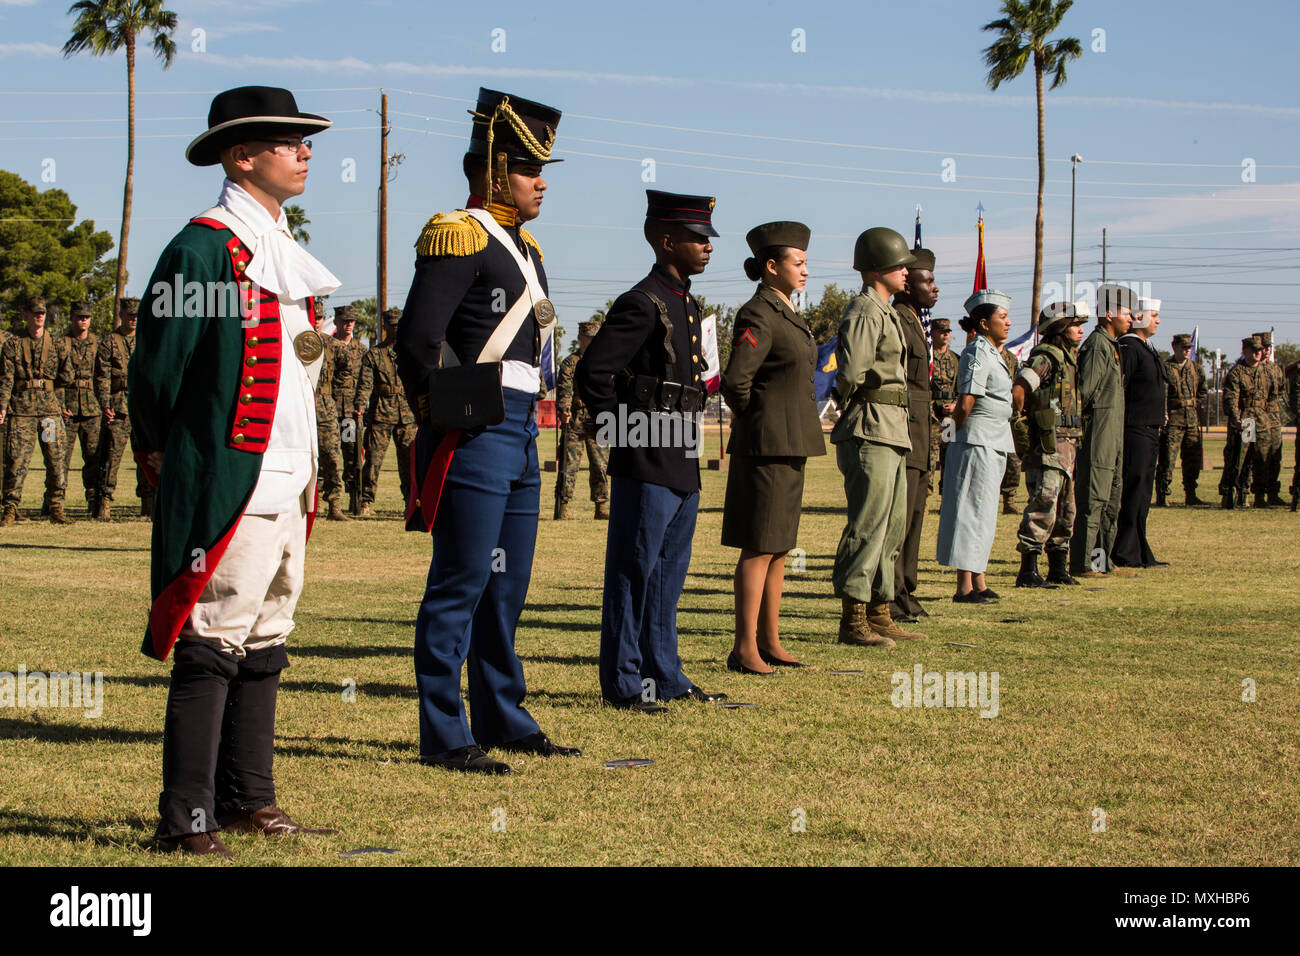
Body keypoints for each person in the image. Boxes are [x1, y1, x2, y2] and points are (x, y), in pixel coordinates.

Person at [132, 85, 341, 856]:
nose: (305, 152)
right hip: (233, 475)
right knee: (213, 640)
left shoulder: (280, 247)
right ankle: (185, 817)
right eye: (288, 142)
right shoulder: (202, 247)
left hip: (289, 476)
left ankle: (249, 799)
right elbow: (155, 371)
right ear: (241, 156)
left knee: (266, 641)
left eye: (305, 140)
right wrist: (167, 451)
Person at [398, 88, 580, 770]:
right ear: (497, 169)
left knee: (506, 586)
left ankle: (503, 715)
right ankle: (445, 734)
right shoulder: (460, 233)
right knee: (460, 582)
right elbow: (418, 340)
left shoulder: (525, 249)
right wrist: (446, 415)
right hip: (478, 431)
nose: (541, 184)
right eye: (533, 170)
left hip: (523, 429)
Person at [575, 189, 728, 706]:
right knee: (633, 571)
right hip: (647, 453)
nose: (707, 247)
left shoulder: (684, 302)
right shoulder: (642, 302)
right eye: (696, 238)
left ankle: (664, 673)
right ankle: (622, 681)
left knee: (668, 573)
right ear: (667, 242)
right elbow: (593, 374)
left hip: (680, 451)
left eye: (707, 238)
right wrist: (621, 432)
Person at [720, 220, 824, 673]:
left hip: (789, 442)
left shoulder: (786, 311)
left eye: (804, 262)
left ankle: (770, 640)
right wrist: (758, 424)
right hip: (766, 444)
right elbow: (735, 382)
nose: (804, 269)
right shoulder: (759, 312)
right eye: (797, 262)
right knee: (759, 546)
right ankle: (744, 647)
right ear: (771, 265)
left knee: (779, 545)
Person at [829, 227, 925, 647]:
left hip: (891, 425)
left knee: (892, 523)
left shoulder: (885, 310)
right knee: (869, 523)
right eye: (900, 265)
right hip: (870, 424)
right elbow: (850, 374)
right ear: (878, 268)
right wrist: (854, 401)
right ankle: (853, 618)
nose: (906, 272)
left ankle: (879, 610)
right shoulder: (866, 310)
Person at [936, 292, 1015, 602]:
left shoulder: (994, 352)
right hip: (975, 440)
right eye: (1002, 318)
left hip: (993, 440)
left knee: (984, 512)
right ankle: (964, 586)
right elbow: (966, 402)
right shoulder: (976, 352)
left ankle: (979, 580)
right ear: (984, 323)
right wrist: (951, 434)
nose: (1008, 322)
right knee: (970, 510)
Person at [1012, 301, 1087, 587]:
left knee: (1067, 509)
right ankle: (1028, 570)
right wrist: (1022, 420)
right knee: (1044, 501)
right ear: (1060, 328)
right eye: (1075, 325)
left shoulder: (1070, 358)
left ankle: (1058, 567)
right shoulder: (1047, 356)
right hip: (1048, 444)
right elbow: (1021, 386)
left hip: (1067, 444)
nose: (1080, 330)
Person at [888, 247, 939, 623]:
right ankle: (889, 595)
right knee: (900, 518)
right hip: (905, 428)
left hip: (921, 430)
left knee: (917, 514)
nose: (934, 287)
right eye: (928, 280)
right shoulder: (899, 320)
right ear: (908, 286)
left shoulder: (916, 321)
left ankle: (906, 589)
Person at [1070, 284, 1134, 579]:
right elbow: (1085, 393)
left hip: (1114, 435)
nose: (1132, 318)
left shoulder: (1112, 345)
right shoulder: (1097, 345)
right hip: (1098, 434)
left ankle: (1102, 561)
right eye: (1126, 312)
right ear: (1108, 314)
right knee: (1094, 499)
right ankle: (1083, 563)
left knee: (1111, 500)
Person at [0, 295, 71, 525]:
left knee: (55, 459)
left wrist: (53, 392)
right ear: (26, 316)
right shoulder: (13, 344)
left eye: (42, 313)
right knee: (16, 461)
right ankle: (10, 509)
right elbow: (6, 379)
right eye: (35, 313)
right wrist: (2, 407)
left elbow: (67, 375)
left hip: (49, 412)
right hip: (21, 412)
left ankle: (56, 507)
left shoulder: (57, 344)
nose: (40, 316)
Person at [1112, 296, 1169, 568]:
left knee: (1143, 492)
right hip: (1134, 429)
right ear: (1138, 317)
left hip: (1149, 429)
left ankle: (1140, 550)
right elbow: (1120, 388)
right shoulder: (1129, 347)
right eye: (1154, 315)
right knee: (1132, 491)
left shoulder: (1145, 347)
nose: (1158, 320)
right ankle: (1125, 552)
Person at [355, 307, 416, 517]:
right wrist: (360, 406)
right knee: (373, 460)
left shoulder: (409, 353)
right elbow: (364, 384)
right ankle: (365, 502)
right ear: (385, 327)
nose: (396, 329)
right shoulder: (374, 354)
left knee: (408, 461)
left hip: (407, 414)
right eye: (392, 325)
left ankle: (410, 502)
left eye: (399, 325)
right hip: (381, 413)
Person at [94, 297, 149, 520]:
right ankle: (104, 502)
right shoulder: (109, 342)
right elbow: (102, 376)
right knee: (111, 457)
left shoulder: (146, 339)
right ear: (122, 315)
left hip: (142, 407)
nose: (133, 320)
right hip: (117, 406)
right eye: (130, 315)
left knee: (145, 457)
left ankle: (148, 504)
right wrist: (105, 403)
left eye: (137, 316)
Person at [553, 318, 608, 520]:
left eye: (594, 338)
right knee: (569, 467)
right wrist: (564, 409)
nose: (590, 341)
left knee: (600, 466)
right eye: (587, 338)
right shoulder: (570, 362)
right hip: (575, 420)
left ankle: (601, 507)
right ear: (580, 338)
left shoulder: (604, 363)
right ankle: (563, 507)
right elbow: (565, 388)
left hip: (598, 421)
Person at [1220, 335, 1275, 509]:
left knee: (1261, 459)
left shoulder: (1267, 371)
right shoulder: (1237, 372)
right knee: (1239, 460)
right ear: (1245, 351)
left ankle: (1259, 495)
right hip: (1246, 421)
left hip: (1262, 420)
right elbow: (1231, 397)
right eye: (1254, 350)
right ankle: (1234, 493)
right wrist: (1236, 417)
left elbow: (1273, 395)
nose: (1258, 354)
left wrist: (1270, 416)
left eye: (1260, 351)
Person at [57, 301, 102, 515]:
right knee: (60, 457)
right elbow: (54, 377)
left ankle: (93, 501)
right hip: (68, 407)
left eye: (86, 317)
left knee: (93, 457)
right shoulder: (61, 343)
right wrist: (60, 404)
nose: (83, 320)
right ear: (72, 318)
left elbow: (103, 377)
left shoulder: (97, 344)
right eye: (79, 316)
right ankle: (55, 502)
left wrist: (105, 404)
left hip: (92, 408)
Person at [1157, 332, 1206, 506]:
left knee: (1192, 459)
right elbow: (1161, 393)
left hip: (1191, 420)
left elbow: (1203, 391)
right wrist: (1165, 412)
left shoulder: (1196, 368)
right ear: (1174, 347)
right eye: (1183, 348)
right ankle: (1163, 494)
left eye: (1188, 348)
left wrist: (1193, 405)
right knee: (1167, 460)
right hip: (1173, 421)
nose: (1186, 351)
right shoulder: (1166, 367)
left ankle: (1191, 494)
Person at [313, 303, 349, 520]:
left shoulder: (332, 345)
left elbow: (347, 368)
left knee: (332, 456)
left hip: (326, 406)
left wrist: (333, 390)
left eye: (319, 317)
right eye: (313, 316)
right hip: (304, 404)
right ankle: (311, 505)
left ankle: (334, 505)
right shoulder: (297, 342)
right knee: (307, 457)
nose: (316, 321)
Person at [333, 304, 366, 507]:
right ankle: (327, 498)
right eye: (345, 320)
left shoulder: (361, 350)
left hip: (350, 414)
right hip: (329, 409)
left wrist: (361, 406)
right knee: (329, 452)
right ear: (336, 321)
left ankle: (354, 495)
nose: (348, 324)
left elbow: (365, 381)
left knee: (351, 452)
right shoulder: (327, 345)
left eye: (351, 321)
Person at [1253, 330, 1287, 507]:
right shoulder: (1250, 369)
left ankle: (1273, 493)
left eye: (1268, 347)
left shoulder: (1275, 369)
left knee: (1275, 456)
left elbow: (1280, 392)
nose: (1266, 350)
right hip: (1256, 419)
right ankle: (1258, 495)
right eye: (1263, 347)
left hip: (1273, 419)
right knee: (1258, 456)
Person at [929, 318, 957, 495]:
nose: (946, 334)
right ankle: (924, 496)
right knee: (929, 458)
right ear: (932, 333)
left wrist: (955, 405)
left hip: (951, 417)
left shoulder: (956, 359)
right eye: (941, 331)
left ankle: (946, 496)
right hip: (931, 415)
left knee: (950, 457)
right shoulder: (928, 358)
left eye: (948, 331)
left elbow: (963, 387)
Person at [998, 345, 1022, 514]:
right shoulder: (984, 354)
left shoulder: (1011, 359)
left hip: (1010, 416)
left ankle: (1010, 500)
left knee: (1013, 461)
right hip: (990, 416)